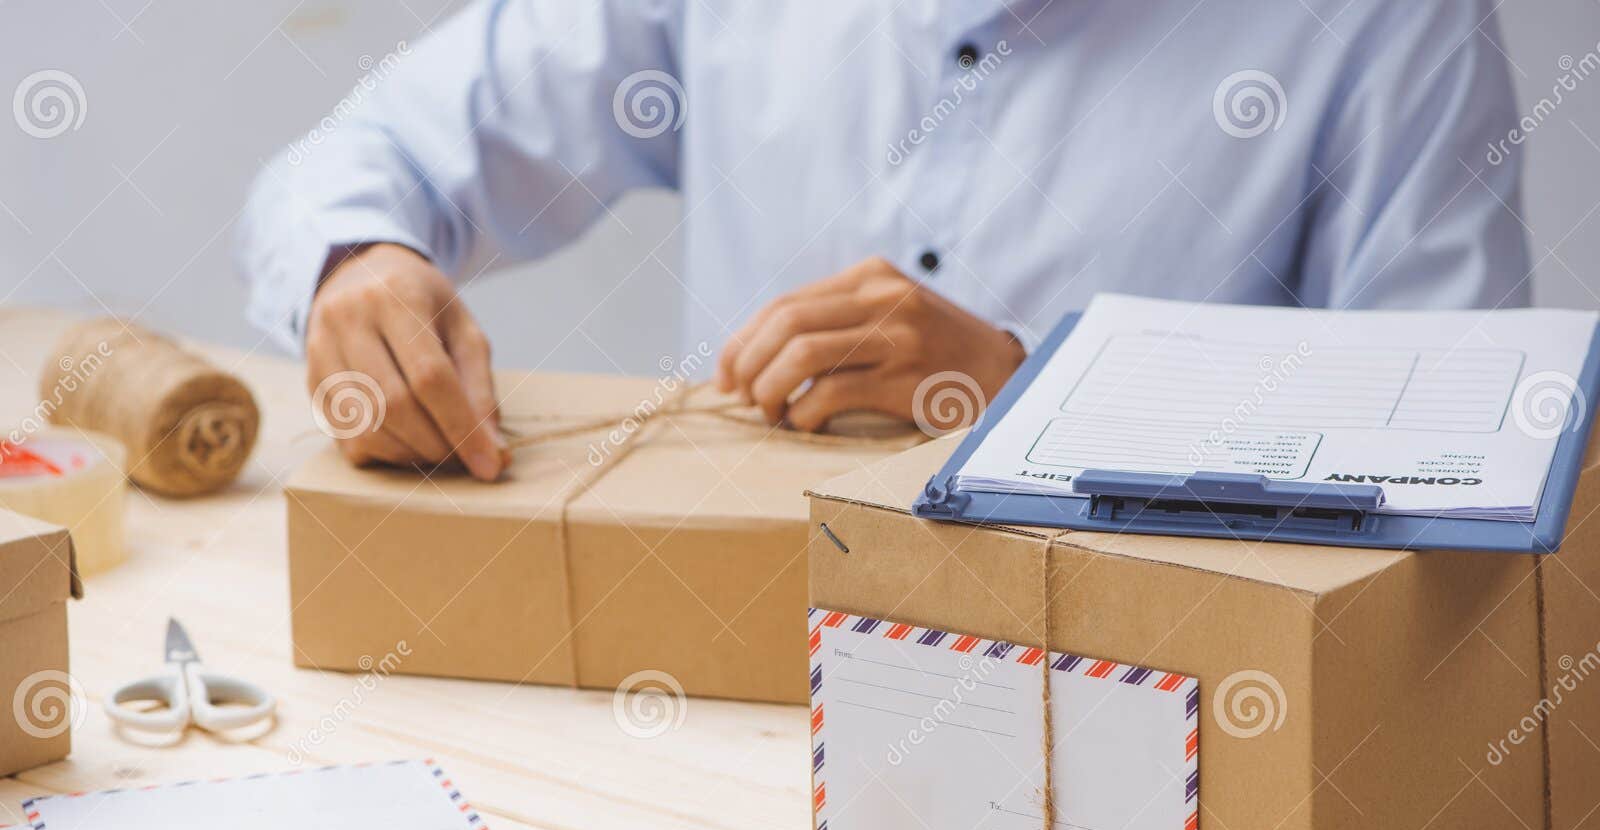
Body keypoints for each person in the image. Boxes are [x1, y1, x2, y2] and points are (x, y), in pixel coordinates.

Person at [236, 0, 1530, 482]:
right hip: (719, 698)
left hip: (1170, 746)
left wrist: (1043, 395)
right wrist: (361, 263)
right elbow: (369, 154)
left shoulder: (1385, 27)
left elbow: (1467, 458)